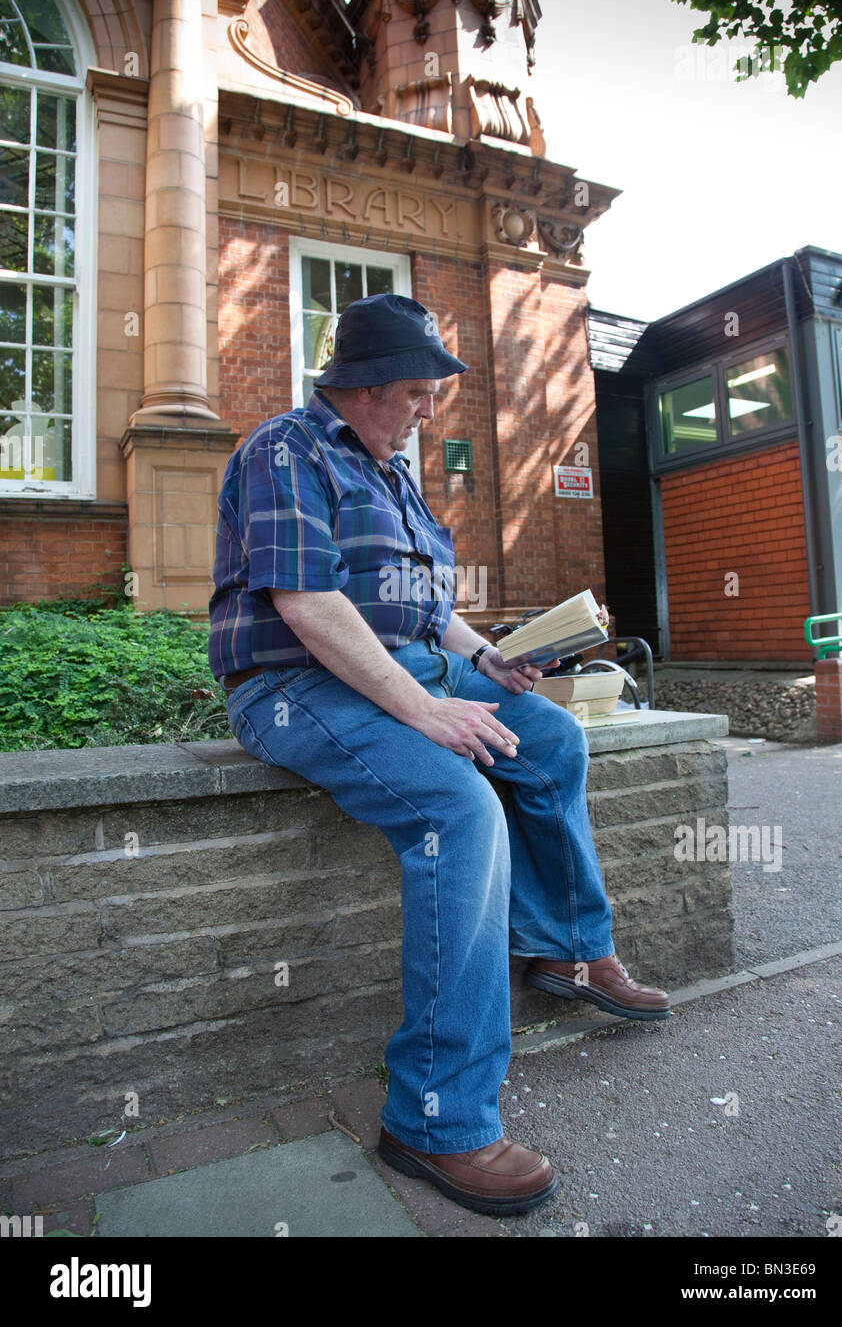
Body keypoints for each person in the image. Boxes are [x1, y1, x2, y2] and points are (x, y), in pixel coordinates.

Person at [208, 294, 670, 1218]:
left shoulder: (396, 475)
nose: (429, 410)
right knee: (457, 807)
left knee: (549, 737)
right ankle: (437, 1116)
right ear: (365, 387)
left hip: (404, 666)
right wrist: (427, 711)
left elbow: (420, 608)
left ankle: (569, 950)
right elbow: (309, 606)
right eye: (418, 393)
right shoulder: (284, 451)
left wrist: (482, 657)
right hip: (293, 685)